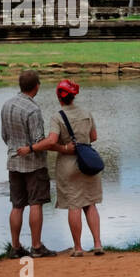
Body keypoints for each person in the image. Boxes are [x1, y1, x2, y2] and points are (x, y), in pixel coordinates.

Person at [35, 78, 104, 257]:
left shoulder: (57, 116)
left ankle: (78, 247)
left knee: (74, 205)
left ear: (59, 97)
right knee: (90, 204)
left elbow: (51, 141)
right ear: (74, 96)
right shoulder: (87, 112)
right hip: (87, 162)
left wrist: (61, 147)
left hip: (68, 164)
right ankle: (97, 244)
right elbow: (94, 137)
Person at [0, 70, 55, 258]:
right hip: (33, 165)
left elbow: (4, 136)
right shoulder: (33, 110)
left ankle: (15, 248)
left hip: (13, 162)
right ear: (36, 86)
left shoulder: (7, 105)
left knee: (17, 205)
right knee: (35, 204)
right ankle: (37, 247)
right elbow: (38, 140)